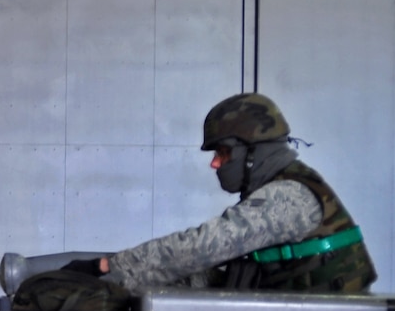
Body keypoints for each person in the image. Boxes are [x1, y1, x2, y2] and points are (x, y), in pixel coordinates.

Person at [91, 92, 376, 295]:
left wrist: (111, 266)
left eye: (223, 153)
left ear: (252, 152)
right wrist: (124, 282)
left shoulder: (288, 196)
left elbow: (203, 247)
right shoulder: (285, 183)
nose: (215, 163)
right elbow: (222, 270)